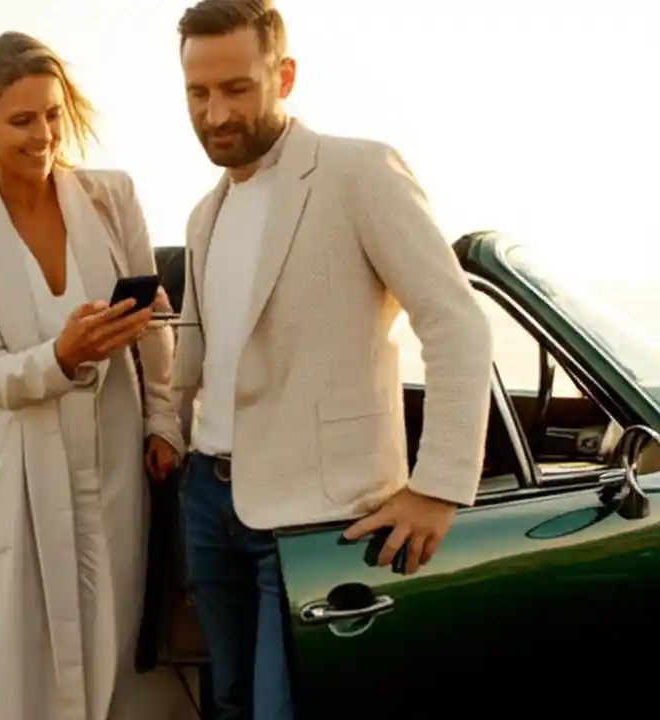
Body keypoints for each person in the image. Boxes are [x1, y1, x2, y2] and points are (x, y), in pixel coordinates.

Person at [168, 1, 495, 718]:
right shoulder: (204, 213)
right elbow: (202, 349)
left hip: (318, 514)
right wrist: (170, 431)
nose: (216, 114)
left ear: (282, 76)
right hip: (209, 501)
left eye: (236, 88)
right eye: (199, 93)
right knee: (228, 702)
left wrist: (438, 486)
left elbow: (455, 324)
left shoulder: (356, 171)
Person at [0, 30, 200, 720]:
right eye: (22, 120)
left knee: (122, 636)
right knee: (35, 656)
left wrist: (163, 420)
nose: (43, 135)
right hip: (19, 469)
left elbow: (156, 319)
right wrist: (63, 356)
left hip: (116, 460)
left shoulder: (112, 197)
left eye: (52, 114)